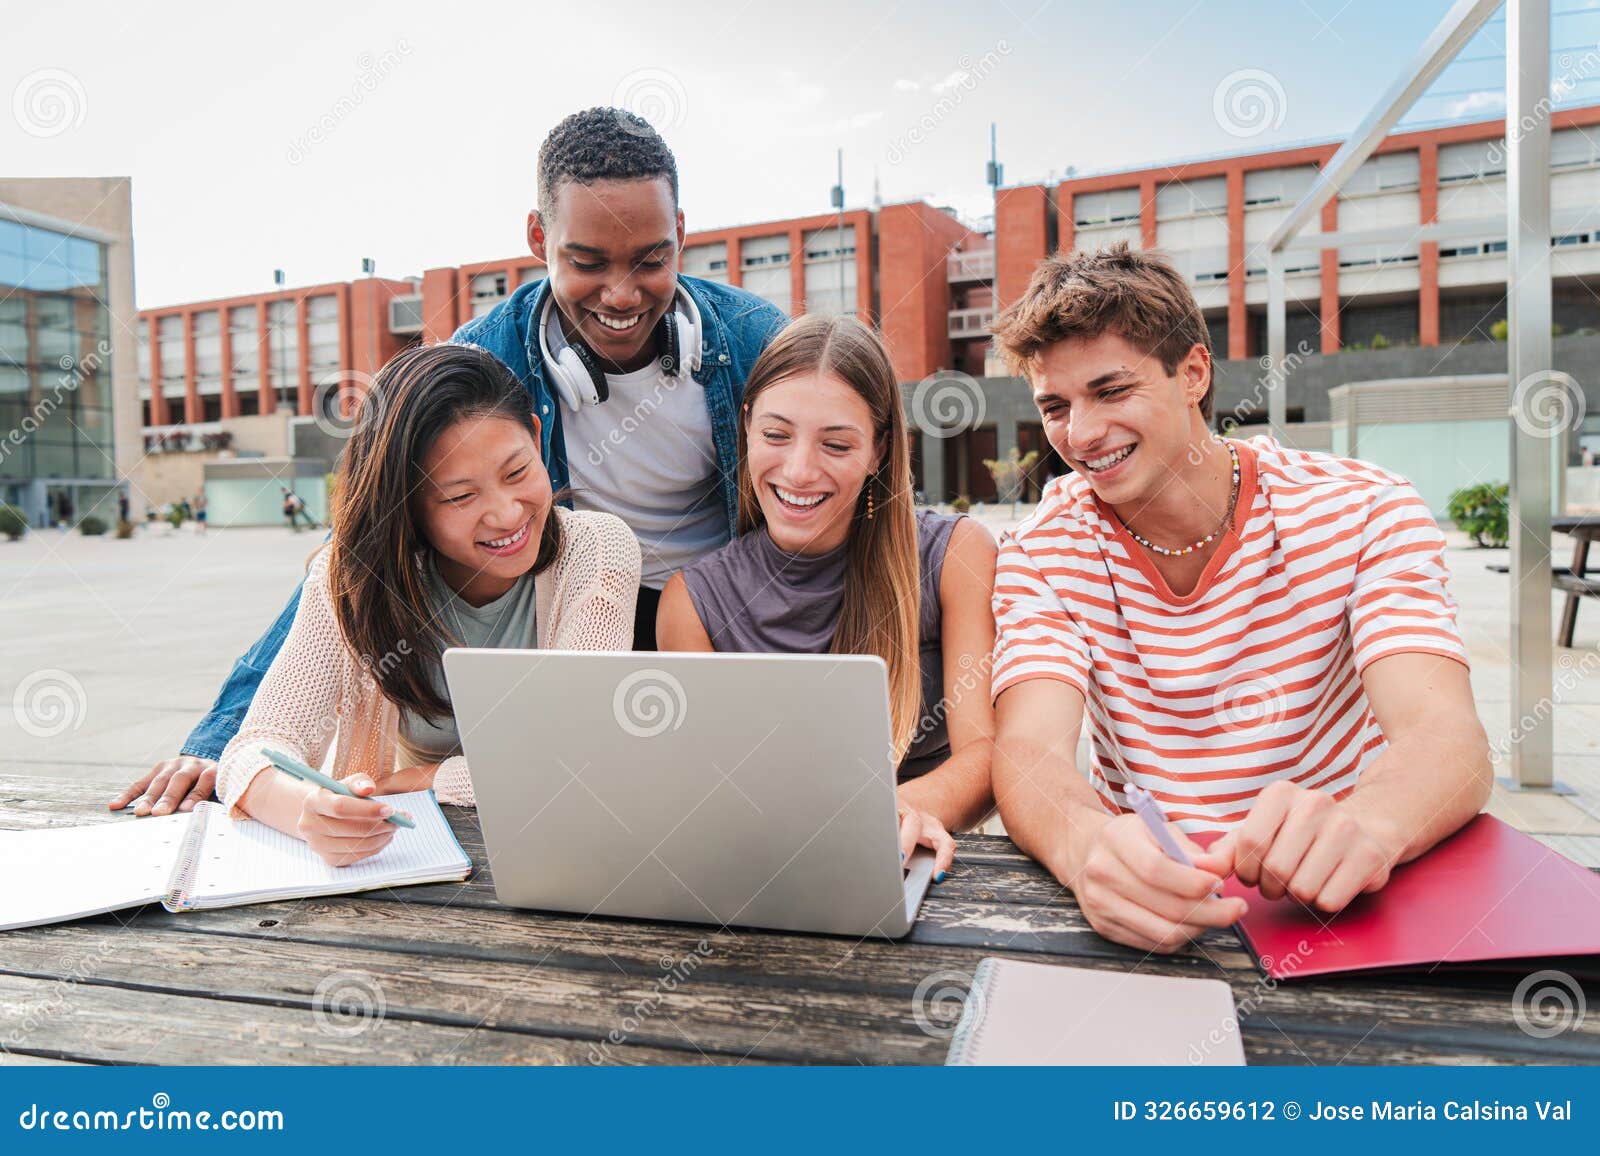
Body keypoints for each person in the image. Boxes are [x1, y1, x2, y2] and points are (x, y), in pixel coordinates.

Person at [113, 106, 785, 817]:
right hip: (568, 600)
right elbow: (358, 554)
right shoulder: (482, 358)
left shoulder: (754, 343)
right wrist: (223, 741)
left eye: (651, 259)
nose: (621, 294)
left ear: (682, 232)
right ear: (538, 238)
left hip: (699, 618)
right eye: (587, 263)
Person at [986, 243, 1491, 954]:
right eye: (1056, 406)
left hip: (1334, 902)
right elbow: (1029, 750)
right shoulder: (1041, 550)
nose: (1083, 434)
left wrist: (1374, 824)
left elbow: (1448, 738)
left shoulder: (1366, 508)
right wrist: (1084, 844)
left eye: (1111, 391)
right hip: (1146, 904)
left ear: (1192, 373)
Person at [182, 343, 639, 863]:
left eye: (517, 473)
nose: (507, 514)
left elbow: (583, 755)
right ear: (406, 503)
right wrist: (309, 810)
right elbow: (253, 751)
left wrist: (422, 778)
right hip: (409, 852)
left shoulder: (599, 548)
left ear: (536, 437)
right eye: (460, 497)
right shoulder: (351, 573)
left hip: (553, 846)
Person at [657, 314, 997, 880]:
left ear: (880, 450)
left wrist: (901, 809)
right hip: (766, 867)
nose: (798, 470)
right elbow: (713, 783)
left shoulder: (957, 556)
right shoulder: (691, 601)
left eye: (836, 444)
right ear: (745, 427)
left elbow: (986, 758)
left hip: (919, 864)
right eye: (775, 435)